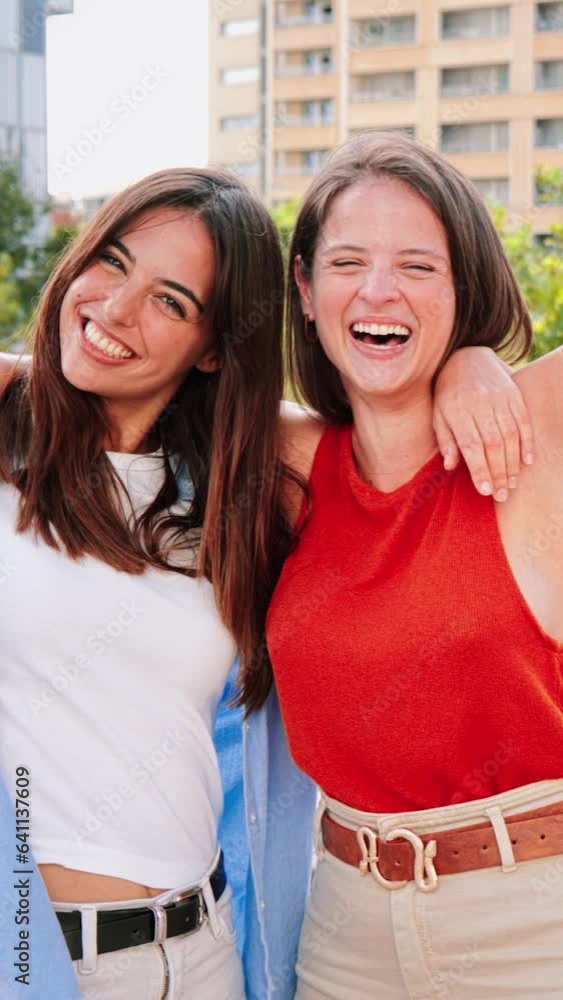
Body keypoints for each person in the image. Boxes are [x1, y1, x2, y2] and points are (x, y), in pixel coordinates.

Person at [0, 162, 533, 1000]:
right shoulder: (9, 447)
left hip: (204, 949)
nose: (117, 309)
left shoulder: (249, 483)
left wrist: (470, 360)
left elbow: (378, 423)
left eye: (172, 301)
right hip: (33, 954)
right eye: (110, 260)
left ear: (215, 345)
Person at [265, 132, 563, 999]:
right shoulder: (281, 462)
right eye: (347, 261)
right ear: (306, 293)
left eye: (418, 267)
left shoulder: (539, 426)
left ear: (463, 287)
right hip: (343, 926)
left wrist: (481, 360)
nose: (378, 289)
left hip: (534, 921)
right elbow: (68, 390)